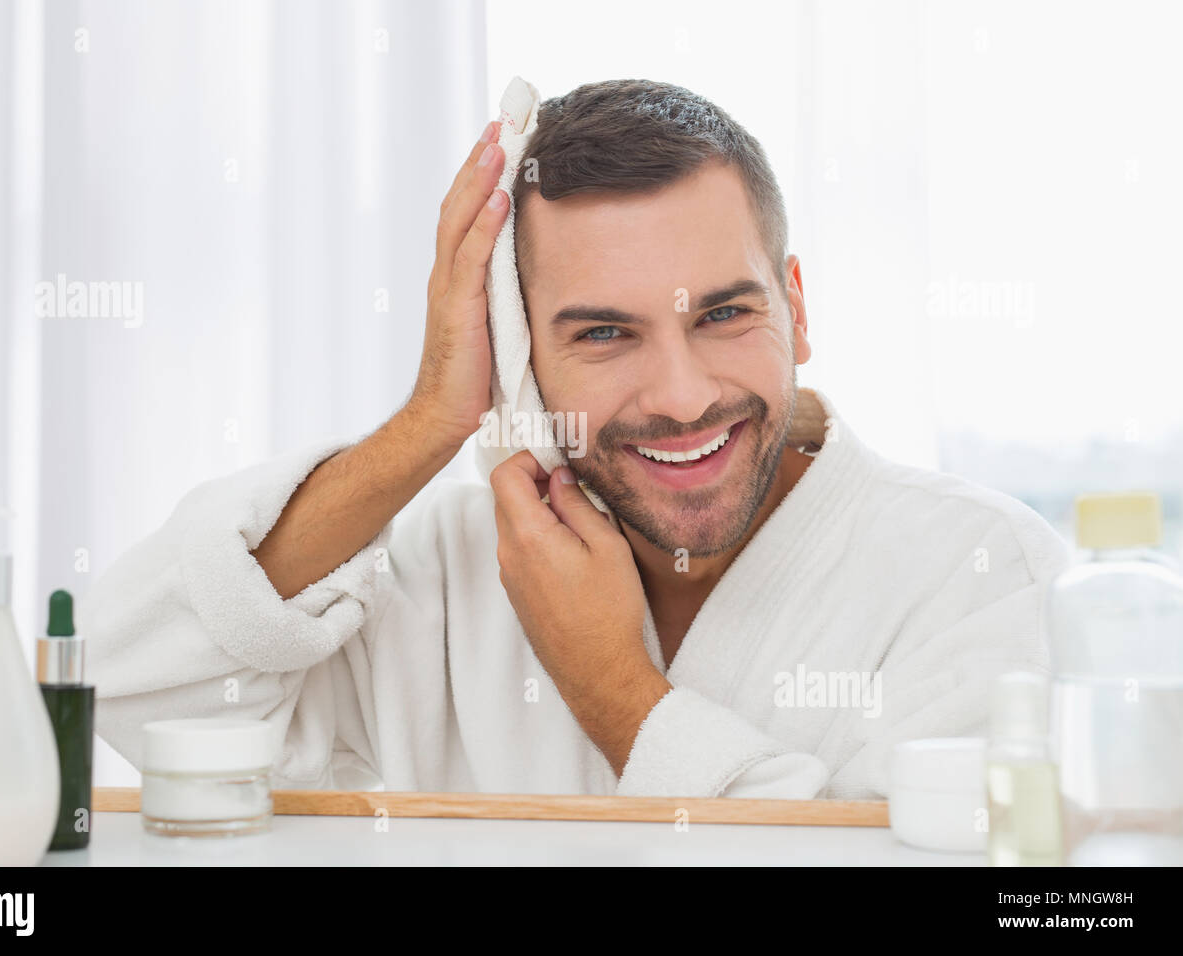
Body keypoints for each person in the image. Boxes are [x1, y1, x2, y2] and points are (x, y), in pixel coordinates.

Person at [82, 79, 1070, 798]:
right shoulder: (448, 572)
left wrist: (613, 690)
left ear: (795, 307)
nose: (683, 397)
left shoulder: (985, 577)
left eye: (725, 314)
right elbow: (132, 687)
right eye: (603, 333)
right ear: (516, 356)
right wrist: (431, 419)